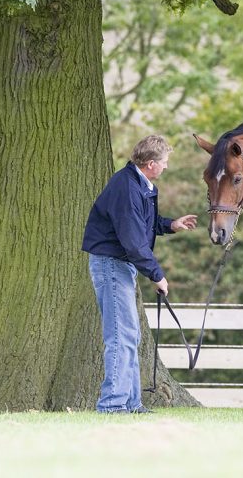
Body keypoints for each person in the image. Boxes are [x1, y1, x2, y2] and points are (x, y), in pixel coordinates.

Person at [81, 135, 198, 414]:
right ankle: (112, 405)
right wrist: (157, 276)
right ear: (150, 164)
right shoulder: (127, 188)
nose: (167, 167)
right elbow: (133, 241)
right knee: (121, 336)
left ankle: (132, 404)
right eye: (164, 162)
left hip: (120, 266)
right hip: (111, 265)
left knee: (128, 335)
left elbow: (142, 223)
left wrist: (171, 224)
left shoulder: (138, 184)